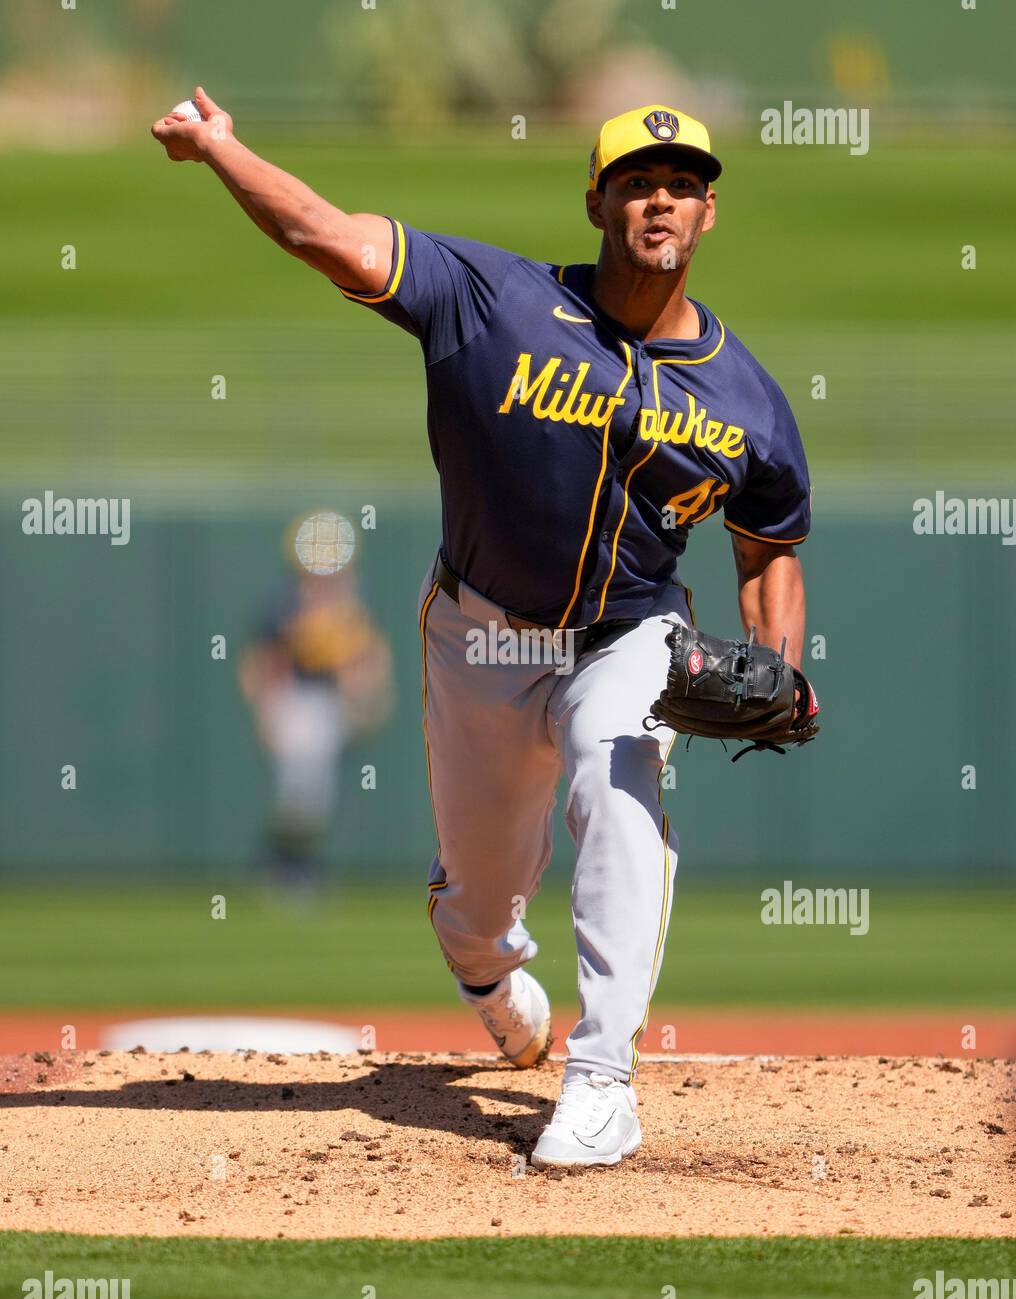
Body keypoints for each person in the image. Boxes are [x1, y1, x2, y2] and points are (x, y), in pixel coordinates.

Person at [153, 95, 813, 1168]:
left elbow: (769, 539)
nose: (660, 199)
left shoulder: (748, 398)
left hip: (630, 633)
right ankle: (489, 972)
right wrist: (221, 147)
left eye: (683, 183)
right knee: (472, 898)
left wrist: (780, 662)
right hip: (481, 634)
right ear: (595, 200)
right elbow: (327, 233)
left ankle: (601, 1081)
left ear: (707, 212)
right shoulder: (490, 297)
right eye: (638, 181)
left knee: (618, 771)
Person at [238, 538, 393, 887]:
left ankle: (288, 862)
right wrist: (265, 709)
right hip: (294, 697)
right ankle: (288, 864)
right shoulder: (285, 601)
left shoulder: (353, 602)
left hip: (331, 701)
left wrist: (371, 695)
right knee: (300, 788)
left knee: (318, 794)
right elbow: (262, 660)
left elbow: (369, 656)